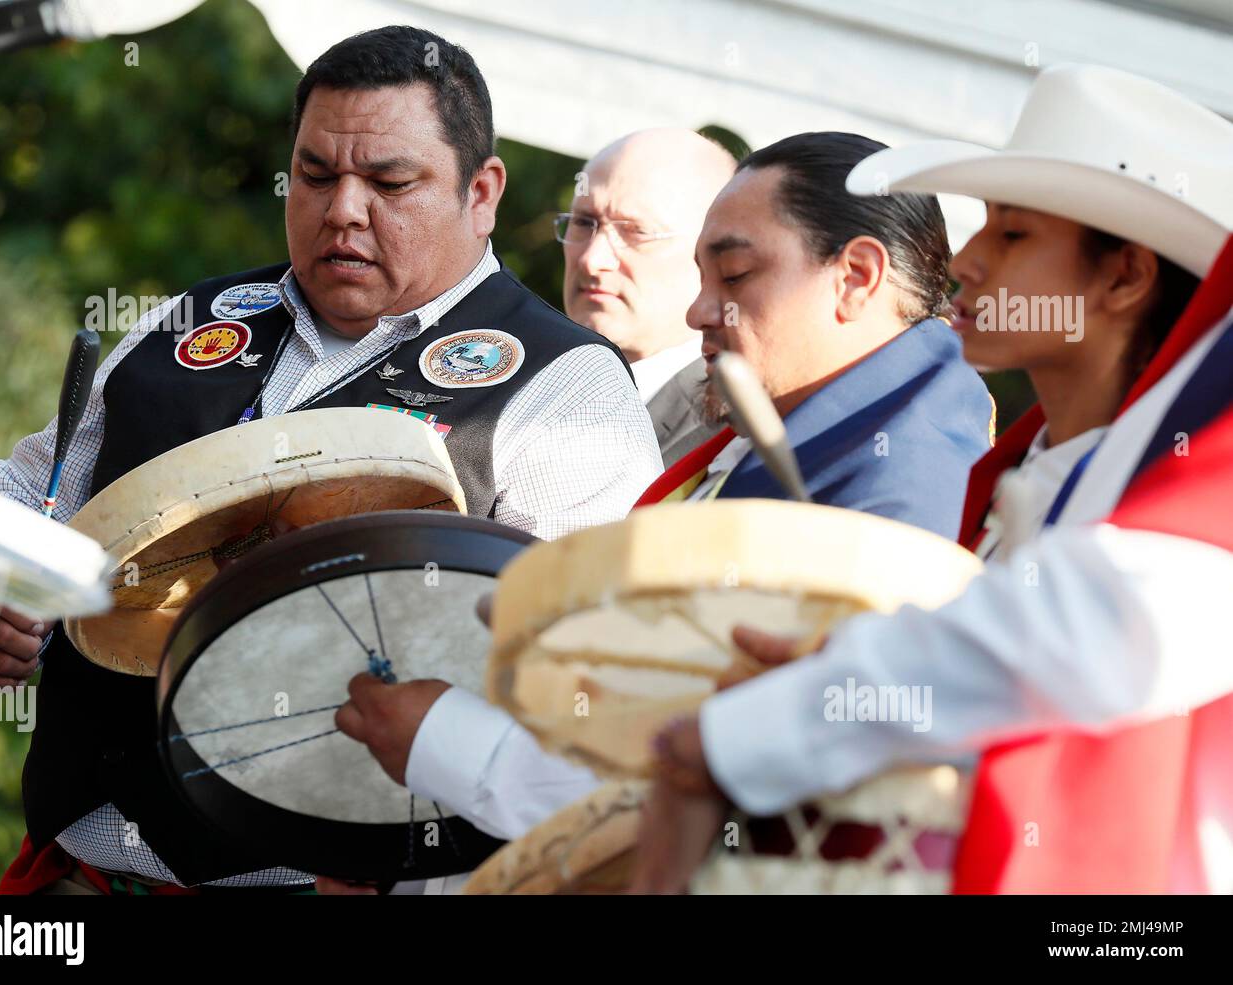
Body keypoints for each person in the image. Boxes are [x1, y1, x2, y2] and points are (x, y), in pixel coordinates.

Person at [0, 24, 663, 895]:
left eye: (391, 181)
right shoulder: (193, 317)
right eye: (317, 175)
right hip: (78, 870)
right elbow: (29, 492)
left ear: (483, 192)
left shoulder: (566, 385)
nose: (344, 209)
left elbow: (557, 686)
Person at [331, 131, 995, 890]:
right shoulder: (823, 436)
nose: (700, 309)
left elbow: (744, 779)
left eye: (736, 273)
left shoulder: (902, 484)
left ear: (856, 276)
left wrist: (450, 743)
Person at [627, 63, 1233, 894]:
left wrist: (750, 731)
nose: (970, 263)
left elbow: (1091, 631)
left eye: (1013, 236)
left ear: (1124, 276)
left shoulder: (1174, 487)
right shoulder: (1018, 471)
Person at [559, 129, 736, 466]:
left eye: (637, 232)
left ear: (714, 251)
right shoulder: (526, 377)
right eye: (584, 222)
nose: (592, 260)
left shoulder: (730, 438)